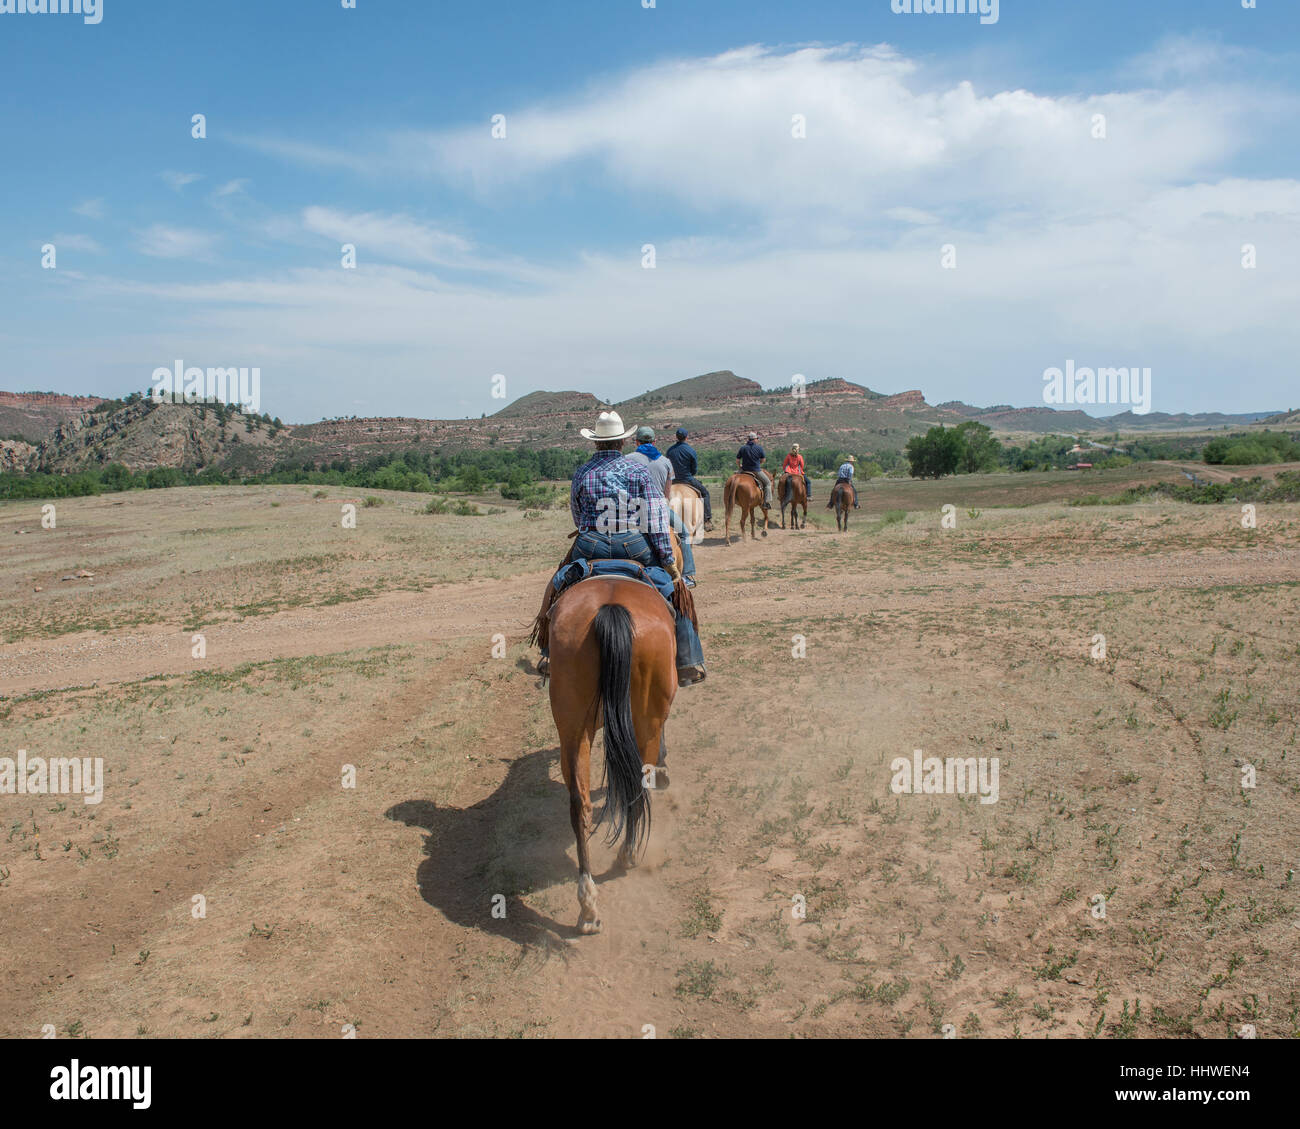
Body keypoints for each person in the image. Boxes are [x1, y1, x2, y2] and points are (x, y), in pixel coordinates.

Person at [539, 410, 705, 686]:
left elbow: (578, 517)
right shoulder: (638, 471)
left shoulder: (582, 472)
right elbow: (654, 520)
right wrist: (669, 563)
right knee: (677, 593)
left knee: (557, 585)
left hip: (590, 544)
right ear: (622, 443)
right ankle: (687, 661)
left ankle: (548, 654)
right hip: (633, 545)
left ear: (595, 442)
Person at [626, 425, 697, 586]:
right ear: (655, 441)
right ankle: (687, 575)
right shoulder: (665, 461)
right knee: (685, 534)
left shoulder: (627, 459)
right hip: (659, 507)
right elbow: (667, 493)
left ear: (636, 442)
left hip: (632, 508)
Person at [665, 427, 713, 531]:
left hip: (672, 481)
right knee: (705, 493)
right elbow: (694, 468)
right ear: (687, 437)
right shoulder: (690, 450)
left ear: (676, 437)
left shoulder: (669, 451)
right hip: (687, 479)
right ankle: (707, 519)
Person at [736, 431, 772, 508]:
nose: (757, 440)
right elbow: (763, 460)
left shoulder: (742, 448)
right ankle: (766, 503)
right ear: (754, 439)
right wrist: (758, 463)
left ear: (749, 439)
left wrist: (740, 466)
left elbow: (738, 460)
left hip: (744, 470)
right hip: (756, 471)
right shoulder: (759, 448)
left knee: (733, 481)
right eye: (757, 439)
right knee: (768, 483)